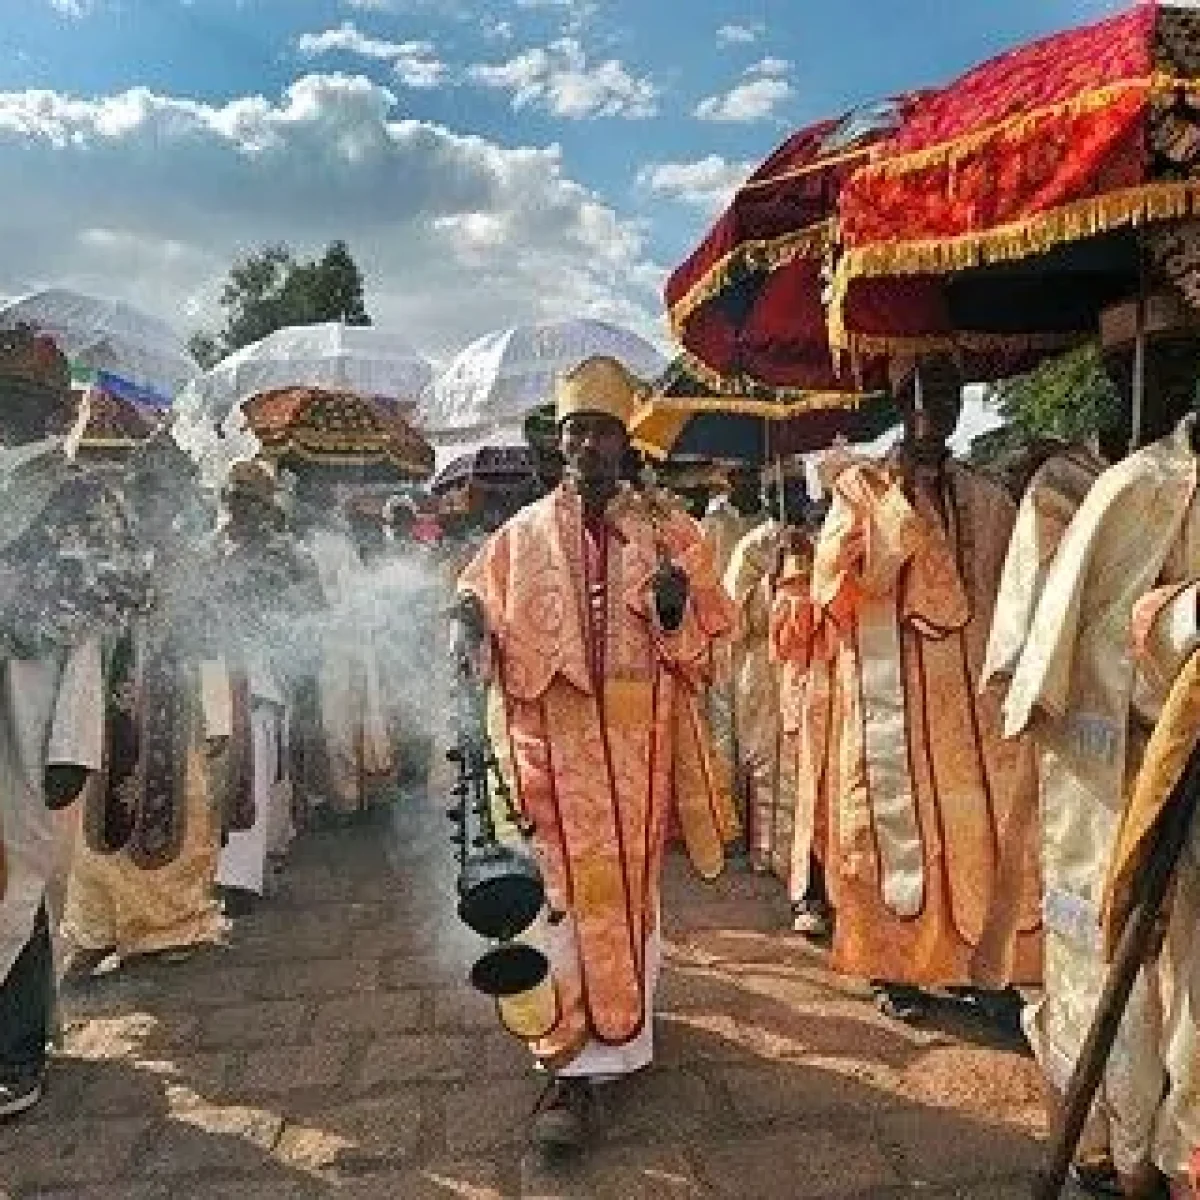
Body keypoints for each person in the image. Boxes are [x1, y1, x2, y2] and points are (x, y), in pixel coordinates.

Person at [454, 355, 737, 1156]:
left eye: (604, 432)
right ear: (560, 442)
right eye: (576, 431)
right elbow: (474, 604)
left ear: (625, 442)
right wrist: (465, 625)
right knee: (557, 899)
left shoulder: (669, 532)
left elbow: (711, 637)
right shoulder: (518, 536)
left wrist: (677, 613)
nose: (589, 446)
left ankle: (627, 1037)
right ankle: (567, 1064)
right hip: (547, 755)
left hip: (637, 754)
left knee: (626, 898)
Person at [999, 288, 1200, 1197]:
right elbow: (1052, 647)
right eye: (1132, 369)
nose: (1153, 386)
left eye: (1172, 361)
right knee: (1102, 959)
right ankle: (1113, 1146)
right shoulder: (1102, 487)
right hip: (1105, 767)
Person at [795, 356, 1042, 1024]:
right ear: (898, 403)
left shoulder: (989, 499)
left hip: (966, 702)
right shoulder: (862, 491)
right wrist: (895, 510)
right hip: (889, 696)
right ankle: (891, 966)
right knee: (884, 830)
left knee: (975, 832)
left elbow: (1012, 593)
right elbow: (835, 589)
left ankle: (975, 966)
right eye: (920, 394)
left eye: (947, 393)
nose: (935, 409)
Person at [0, 327, 135, 1117]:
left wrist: (74, 742)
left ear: (58, 407)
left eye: (28, 396)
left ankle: (14, 1051)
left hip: (30, 705)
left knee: (17, 876)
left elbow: (93, 631)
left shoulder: (81, 494)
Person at [60, 432, 228, 976]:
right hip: (110, 696)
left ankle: (169, 923)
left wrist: (217, 709)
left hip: (170, 702)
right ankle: (101, 926)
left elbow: (208, 640)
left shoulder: (189, 562)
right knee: (99, 812)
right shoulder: (107, 547)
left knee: (179, 808)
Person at [723, 463, 809, 882]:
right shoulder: (752, 546)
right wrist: (770, 584)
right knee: (766, 758)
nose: (796, 499)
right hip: (761, 664)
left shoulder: (818, 539)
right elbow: (730, 619)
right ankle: (769, 852)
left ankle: (810, 859)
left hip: (807, 664)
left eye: (799, 489)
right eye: (786, 491)